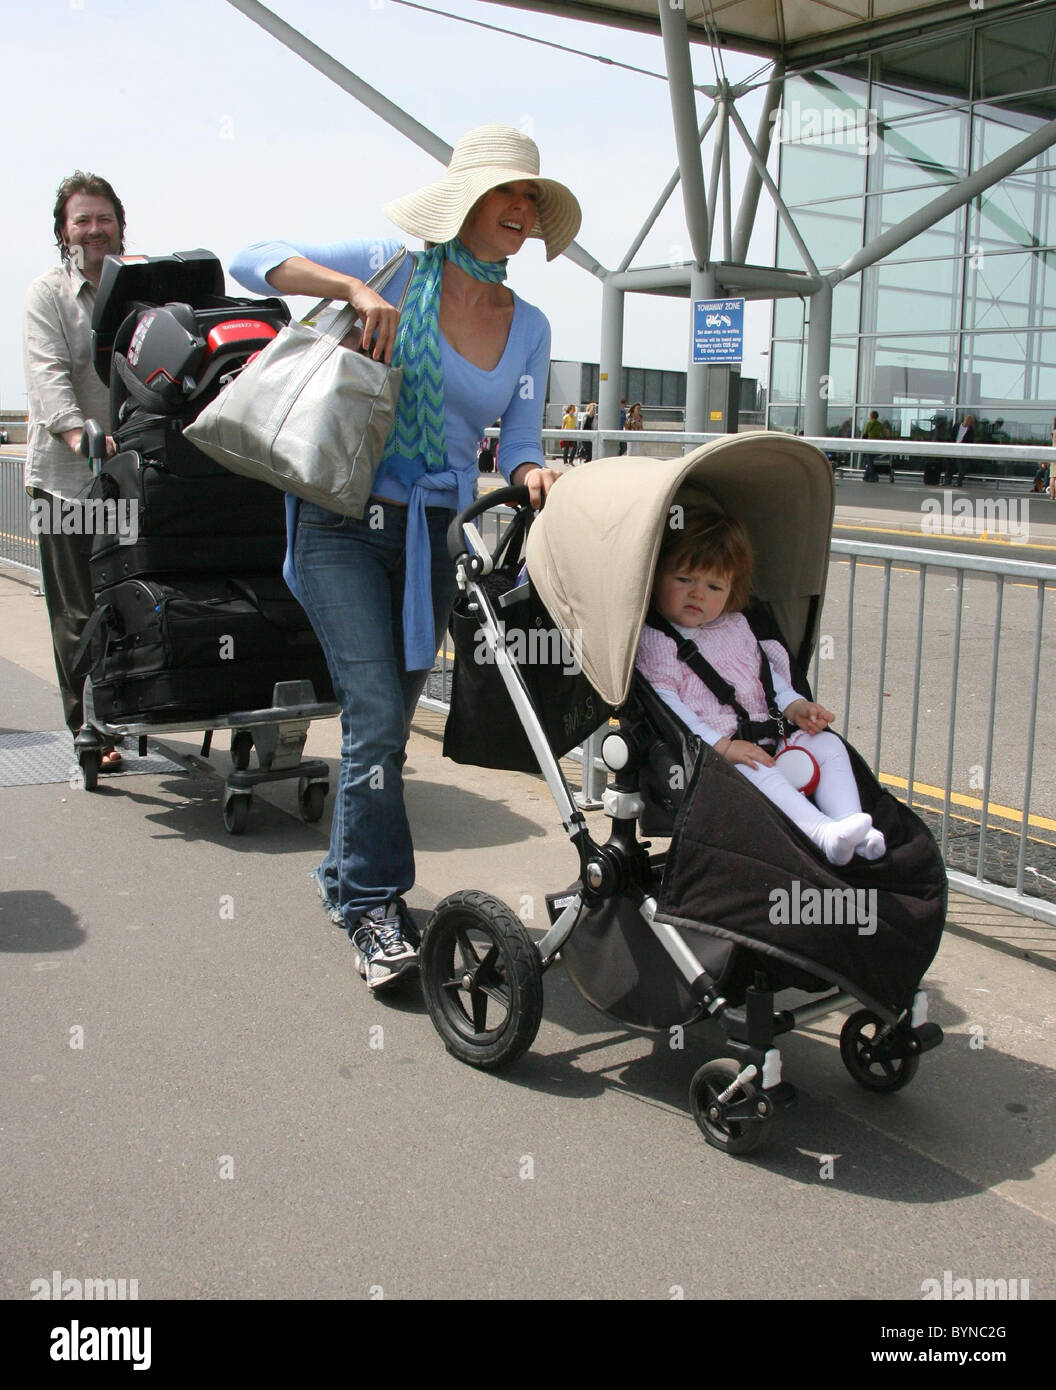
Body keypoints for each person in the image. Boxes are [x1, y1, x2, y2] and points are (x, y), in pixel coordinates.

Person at [230, 125, 580, 990]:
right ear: (465, 202)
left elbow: (521, 438)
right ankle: (373, 905)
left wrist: (535, 469)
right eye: (509, 193)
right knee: (379, 713)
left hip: (432, 536)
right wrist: (350, 288)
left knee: (379, 721)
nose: (523, 210)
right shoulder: (395, 264)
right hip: (340, 520)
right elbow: (251, 256)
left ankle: (343, 876)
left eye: (531, 198)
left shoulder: (529, 326)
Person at [637, 504, 885, 867]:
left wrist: (797, 706)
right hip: (715, 758)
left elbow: (768, 679)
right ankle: (820, 833)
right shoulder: (658, 641)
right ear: (656, 577)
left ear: (732, 590)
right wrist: (723, 747)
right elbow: (668, 707)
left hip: (772, 739)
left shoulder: (737, 627)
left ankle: (851, 824)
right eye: (684, 579)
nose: (698, 594)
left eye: (714, 585)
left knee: (827, 743)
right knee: (759, 771)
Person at [22, 171, 126, 767]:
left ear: (120, 224)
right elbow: (49, 378)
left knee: (133, 594)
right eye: (81, 220)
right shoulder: (48, 295)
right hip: (63, 481)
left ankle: (129, 703)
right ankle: (91, 727)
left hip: (129, 477)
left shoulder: (142, 288)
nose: (93, 230)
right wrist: (80, 434)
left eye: (103, 218)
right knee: (77, 610)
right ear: (64, 231)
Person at [860, 409, 890, 482]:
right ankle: (866, 476)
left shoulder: (869, 424)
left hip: (869, 444)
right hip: (876, 444)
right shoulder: (880, 425)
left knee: (869, 460)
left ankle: (872, 476)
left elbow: (865, 433)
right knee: (871, 460)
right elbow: (884, 434)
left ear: (871, 416)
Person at [945, 412, 974, 487]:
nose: (968, 424)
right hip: (954, 448)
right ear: (965, 420)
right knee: (950, 465)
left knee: (961, 466)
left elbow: (970, 441)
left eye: (969, 423)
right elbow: (952, 435)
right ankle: (947, 481)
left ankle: (958, 482)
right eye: (967, 422)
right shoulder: (957, 426)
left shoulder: (970, 430)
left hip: (962, 450)